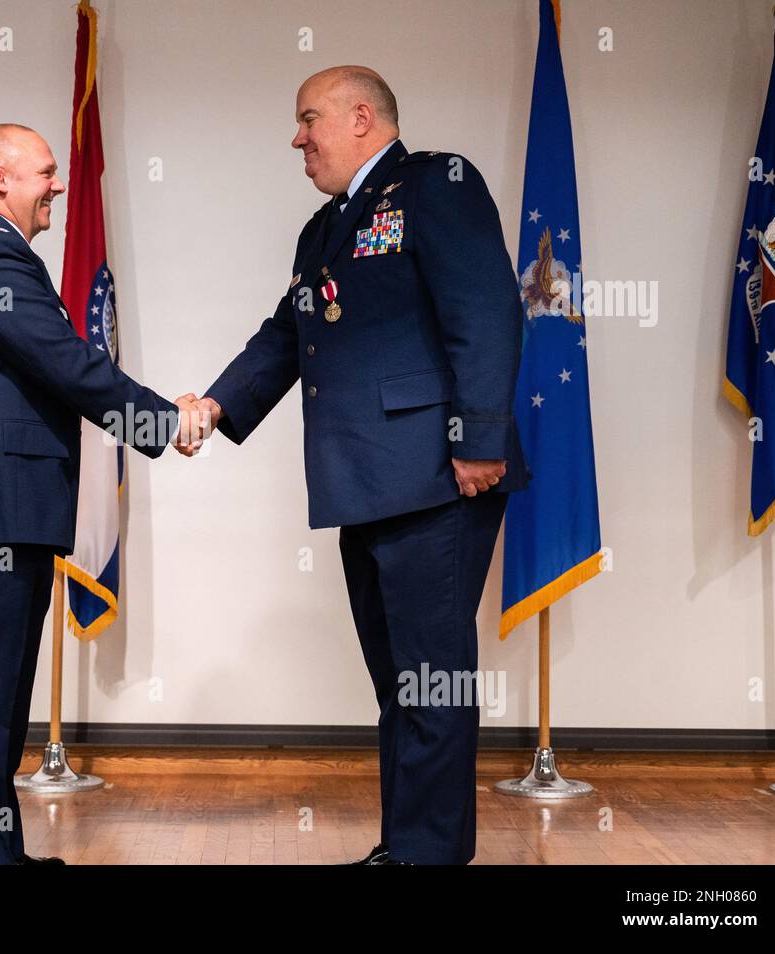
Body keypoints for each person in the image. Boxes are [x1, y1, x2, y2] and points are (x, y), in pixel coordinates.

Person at [184, 67, 528, 865]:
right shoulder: (324, 229)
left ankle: (429, 854)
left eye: (309, 120)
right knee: (399, 683)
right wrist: (215, 407)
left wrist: (480, 437)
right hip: (367, 483)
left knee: (432, 679)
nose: (298, 138)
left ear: (361, 118)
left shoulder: (438, 184)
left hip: (439, 475)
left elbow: (487, 307)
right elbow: (286, 333)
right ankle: (405, 846)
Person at [0, 123, 201, 865]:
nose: (56, 185)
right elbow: (67, 366)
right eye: (45, 172)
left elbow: (58, 368)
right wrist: (165, 422)